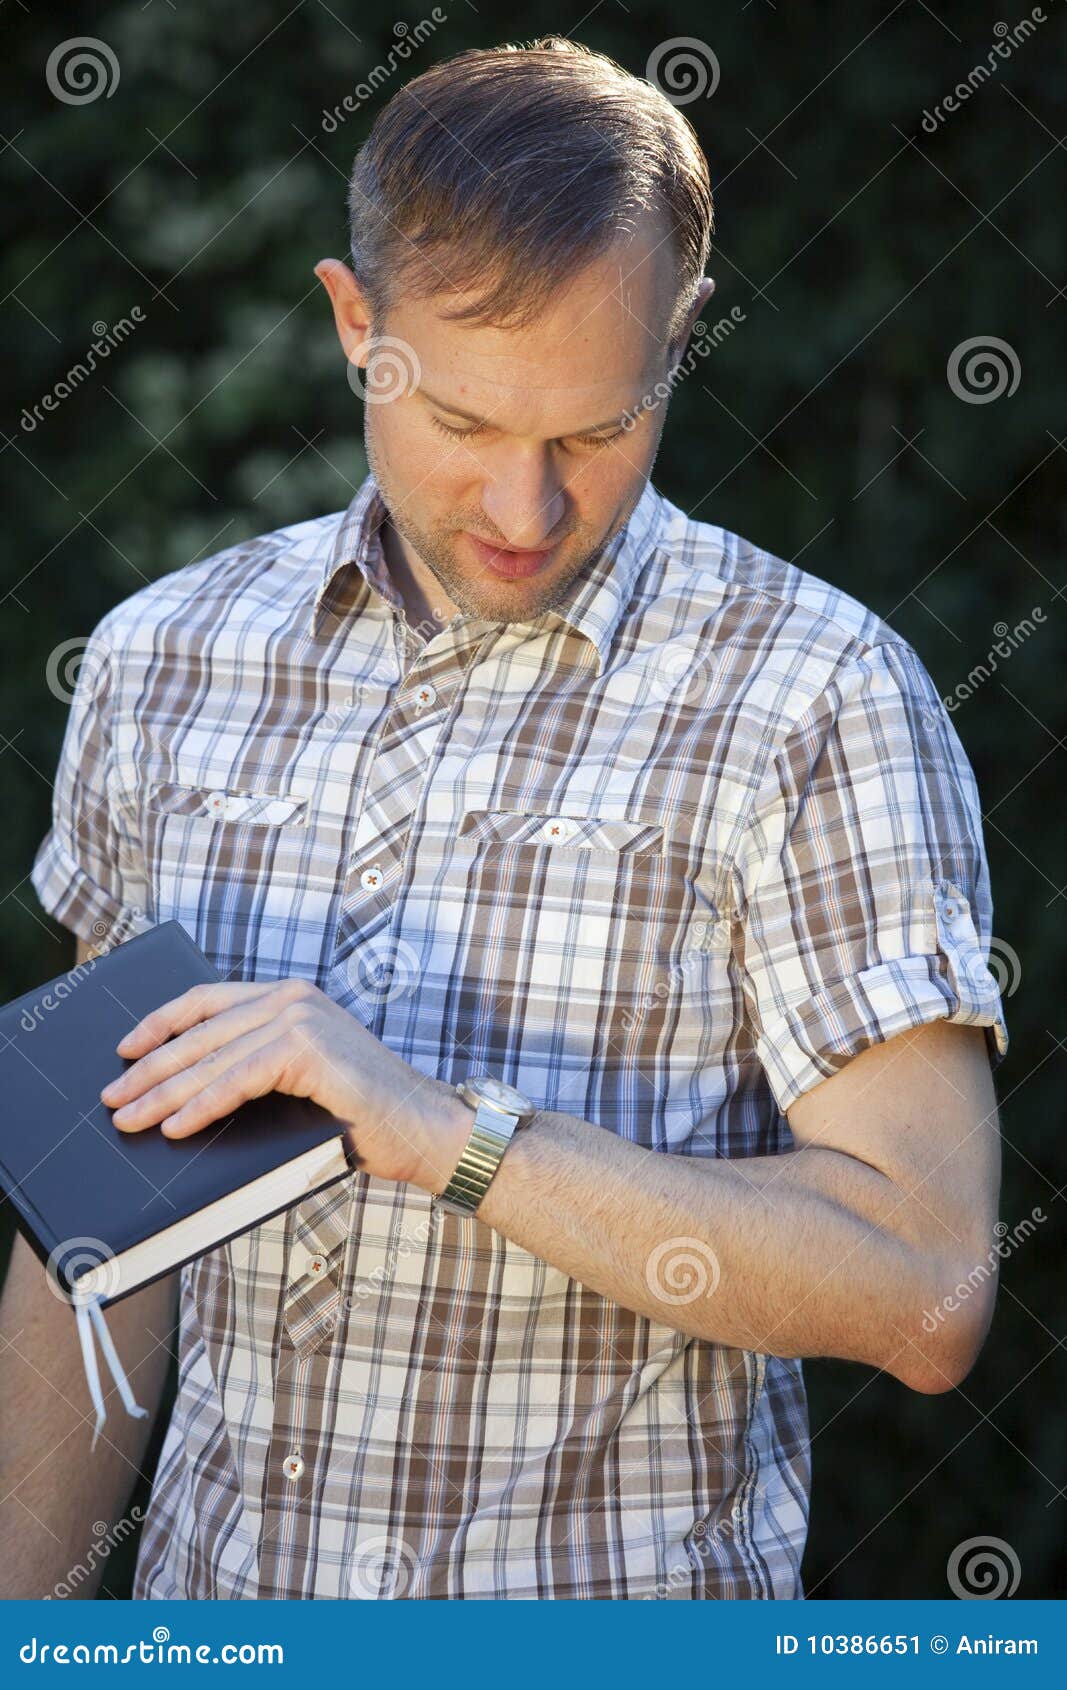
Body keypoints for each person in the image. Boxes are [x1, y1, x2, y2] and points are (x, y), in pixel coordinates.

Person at [8, 35, 1007, 1601]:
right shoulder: (160, 661)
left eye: (596, 433)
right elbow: (93, 1243)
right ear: (357, 328)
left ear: (676, 346)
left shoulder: (821, 698)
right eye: (465, 425)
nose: (526, 511)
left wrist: (446, 1136)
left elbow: (930, 1285)